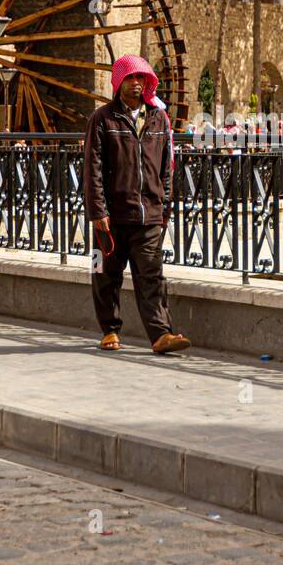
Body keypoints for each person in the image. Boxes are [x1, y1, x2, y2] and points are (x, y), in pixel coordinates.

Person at [84, 55, 189, 355]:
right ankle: (109, 331)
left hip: (149, 215)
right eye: (130, 78)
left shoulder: (159, 119)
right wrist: (97, 211)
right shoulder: (102, 119)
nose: (136, 84)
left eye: (141, 78)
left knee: (152, 275)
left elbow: (166, 168)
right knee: (104, 274)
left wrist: (164, 205)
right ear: (118, 83)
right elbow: (92, 168)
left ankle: (161, 335)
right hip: (111, 216)